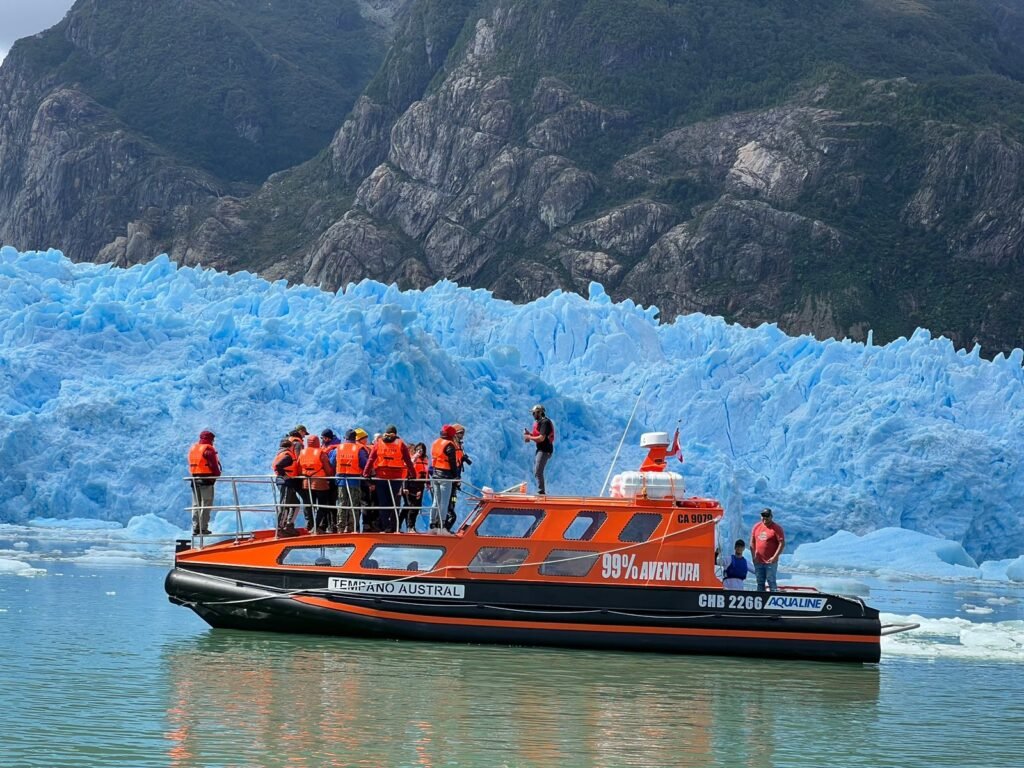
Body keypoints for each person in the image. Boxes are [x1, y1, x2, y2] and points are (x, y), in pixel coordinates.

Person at [363, 425, 415, 533]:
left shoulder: (379, 443)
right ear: (395, 433)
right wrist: (413, 474)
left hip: (381, 476)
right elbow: (408, 460)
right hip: (396, 477)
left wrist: (366, 473)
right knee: (392, 502)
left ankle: (385, 526)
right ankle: (389, 527)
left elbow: (371, 459)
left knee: (383, 502)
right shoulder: (400, 444)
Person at [187, 430, 221, 535]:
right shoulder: (208, 450)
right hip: (206, 480)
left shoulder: (194, 449)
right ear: (210, 439)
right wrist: (216, 475)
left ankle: (195, 527)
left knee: (196, 504)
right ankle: (203, 528)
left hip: (194, 479)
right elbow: (214, 466)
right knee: (206, 504)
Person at [335, 429, 369, 532]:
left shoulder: (338, 448)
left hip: (341, 481)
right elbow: (365, 464)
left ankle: (340, 527)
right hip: (354, 480)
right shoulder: (359, 449)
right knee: (354, 504)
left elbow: (332, 462)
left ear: (345, 438)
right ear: (355, 438)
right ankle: (351, 528)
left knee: (342, 503)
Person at [298, 435, 333, 533]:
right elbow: (328, 469)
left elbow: (299, 468)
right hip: (320, 483)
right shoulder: (321, 453)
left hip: (306, 483)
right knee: (322, 506)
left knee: (309, 505)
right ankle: (316, 526)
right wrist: (330, 475)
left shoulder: (302, 452)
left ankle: (311, 525)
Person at [429, 425, 460, 532]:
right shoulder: (449, 445)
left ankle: (432, 522)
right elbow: (452, 463)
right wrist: (456, 476)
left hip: (435, 475)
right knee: (444, 502)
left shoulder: (435, 443)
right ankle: (441, 524)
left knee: (435, 501)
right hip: (445, 477)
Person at [750, 508, 785, 592]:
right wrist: (753, 556)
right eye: (763, 515)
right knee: (760, 582)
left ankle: (773, 600)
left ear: (771, 516)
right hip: (758, 561)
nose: (765, 518)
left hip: (770, 562)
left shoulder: (776, 528)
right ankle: (760, 600)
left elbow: (782, 543)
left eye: (767, 516)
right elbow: (752, 542)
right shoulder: (756, 526)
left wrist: (775, 557)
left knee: (771, 581)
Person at [523, 404, 554, 495]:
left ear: (539, 413)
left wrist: (529, 437)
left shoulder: (545, 423)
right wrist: (530, 434)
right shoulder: (541, 422)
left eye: (534, 413)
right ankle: (541, 491)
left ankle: (541, 492)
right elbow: (538, 436)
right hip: (541, 449)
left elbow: (541, 438)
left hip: (545, 450)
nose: (533, 415)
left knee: (538, 470)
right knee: (537, 470)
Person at [272, 438, 301, 535]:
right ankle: (280, 528)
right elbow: (278, 466)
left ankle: (289, 525)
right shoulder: (287, 455)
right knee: (284, 504)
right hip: (285, 482)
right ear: (290, 447)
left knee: (295, 504)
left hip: (285, 482)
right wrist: (284, 475)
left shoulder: (280, 454)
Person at [400, 442, 429, 533]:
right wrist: (405, 487)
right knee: (411, 506)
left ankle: (403, 525)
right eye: (418, 449)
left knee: (416, 507)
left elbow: (426, 472)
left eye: (421, 450)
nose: (420, 451)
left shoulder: (425, 460)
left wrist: (427, 482)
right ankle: (410, 527)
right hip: (411, 484)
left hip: (420, 485)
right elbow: (408, 470)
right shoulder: (412, 458)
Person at [448, 424, 472, 531]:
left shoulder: (459, 445)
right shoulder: (451, 444)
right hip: (451, 477)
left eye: (463, 433)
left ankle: (447, 524)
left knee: (453, 499)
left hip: (456, 477)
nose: (462, 435)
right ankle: (444, 525)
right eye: (460, 433)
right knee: (448, 501)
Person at [320, 429, 341, 532]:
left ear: (328, 437)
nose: (323, 440)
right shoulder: (325, 445)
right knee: (327, 502)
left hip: (332, 478)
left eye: (324, 438)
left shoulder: (334, 448)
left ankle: (333, 525)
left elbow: (332, 464)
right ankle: (327, 524)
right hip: (326, 478)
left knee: (331, 502)